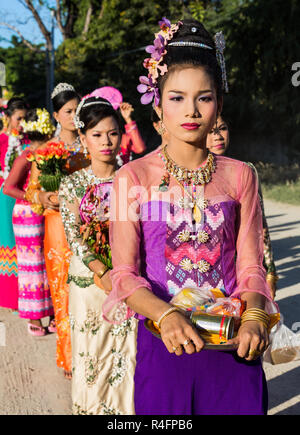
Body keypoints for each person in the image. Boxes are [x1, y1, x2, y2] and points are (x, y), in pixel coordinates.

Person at [103, 18, 279, 415]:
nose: (192, 111)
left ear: (219, 102)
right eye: (177, 97)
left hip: (233, 343)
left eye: (205, 97)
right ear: (158, 103)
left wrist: (254, 317)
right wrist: (165, 315)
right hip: (165, 339)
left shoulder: (241, 175)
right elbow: (123, 274)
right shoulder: (129, 177)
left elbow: (252, 266)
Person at [59, 96, 138, 415]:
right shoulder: (72, 184)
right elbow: (74, 234)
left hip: (129, 281)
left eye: (113, 133)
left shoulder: (134, 177)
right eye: (96, 134)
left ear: (121, 134)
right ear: (83, 138)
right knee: (91, 355)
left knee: (126, 354)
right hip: (90, 285)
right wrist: (100, 269)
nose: (106, 141)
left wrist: (123, 271)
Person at [25, 83, 89, 378]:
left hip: (89, 225)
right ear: (56, 115)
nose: (74, 116)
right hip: (57, 227)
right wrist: (46, 197)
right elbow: (30, 191)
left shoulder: (92, 144)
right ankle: (68, 355)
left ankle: (92, 351)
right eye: (68, 111)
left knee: (89, 288)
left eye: (78, 110)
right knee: (63, 291)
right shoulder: (47, 150)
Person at [206, 116, 279, 299]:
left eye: (222, 128)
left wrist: (270, 272)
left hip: (241, 269)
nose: (218, 136)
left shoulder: (245, 172)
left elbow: (260, 226)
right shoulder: (185, 176)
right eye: (210, 131)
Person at [3, 108, 55, 335]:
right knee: (31, 266)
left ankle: (52, 312)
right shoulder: (26, 155)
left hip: (48, 212)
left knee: (50, 261)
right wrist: (32, 196)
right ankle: (33, 316)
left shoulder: (54, 152)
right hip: (27, 216)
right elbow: (8, 188)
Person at [0, 97, 28, 310]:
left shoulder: (29, 141)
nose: (22, 122)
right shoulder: (1, 140)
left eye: (25, 118)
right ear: (7, 118)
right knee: (9, 243)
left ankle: (27, 294)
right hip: (5, 196)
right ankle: (10, 297)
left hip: (25, 194)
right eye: (18, 118)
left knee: (24, 244)